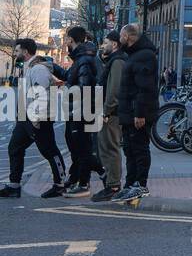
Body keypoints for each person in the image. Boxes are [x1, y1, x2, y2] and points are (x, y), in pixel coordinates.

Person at [1, 39, 69, 198]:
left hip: (39, 118)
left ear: (25, 52)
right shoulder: (28, 67)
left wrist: (37, 117)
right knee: (15, 148)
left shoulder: (38, 68)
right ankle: (14, 185)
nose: (15, 54)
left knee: (49, 150)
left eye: (17, 51)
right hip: (26, 118)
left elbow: (41, 94)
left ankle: (60, 184)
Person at [112, 24, 160, 202]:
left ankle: (140, 185)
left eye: (122, 36)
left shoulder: (144, 56)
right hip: (130, 112)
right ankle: (130, 185)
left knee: (139, 149)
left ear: (129, 37)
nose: (120, 40)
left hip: (137, 114)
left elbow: (145, 88)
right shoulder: (135, 55)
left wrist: (140, 114)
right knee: (130, 150)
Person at [60, 26, 106, 197]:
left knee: (82, 148)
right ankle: (93, 177)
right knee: (81, 147)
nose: (65, 43)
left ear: (71, 40)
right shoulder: (82, 57)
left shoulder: (84, 59)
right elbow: (72, 76)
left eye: (66, 39)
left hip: (82, 109)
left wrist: (68, 88)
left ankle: (85, 183)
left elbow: (84, 87)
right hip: (83, 109)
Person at [94, 32, 127, 201]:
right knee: (105, 148)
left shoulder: (118, 62)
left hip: (112, 114)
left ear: (114, 45)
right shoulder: (113, 60)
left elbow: (114, 90)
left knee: (111, 148)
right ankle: (110, 182)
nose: (102, 45)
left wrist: (106, 111)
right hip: (109, 112)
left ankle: (113, 186)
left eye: (105, 42)